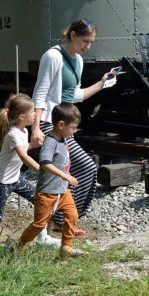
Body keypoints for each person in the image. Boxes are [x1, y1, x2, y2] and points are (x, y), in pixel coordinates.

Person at [31, 19, 114, 239]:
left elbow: (75, 95)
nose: (87, 46)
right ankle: (61, 221)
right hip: (51, 123)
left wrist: (102, 82)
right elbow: (40, 93)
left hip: (63, 124)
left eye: (91, 43)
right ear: (73, 35)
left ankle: (53, 227)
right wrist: (36, 128)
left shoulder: (77, 60)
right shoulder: (53, 56)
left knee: (61, 175)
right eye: (85, 41)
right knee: (85, 167)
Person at [0, 94, 41, 261]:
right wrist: (43, 170)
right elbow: (23, 157)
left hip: (15, 178)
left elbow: (23, 149)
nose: (35, 114)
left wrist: (33, 145)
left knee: (40, 200)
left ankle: (42, 238)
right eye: (32, 111)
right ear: (21, 116)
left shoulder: (23, 130)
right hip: (2, 180)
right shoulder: (13, 134)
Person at [17, 102, 86, 258]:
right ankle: (19, 246)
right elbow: (45, 163)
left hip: (63, 191)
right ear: (61, 124)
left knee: (72, 215)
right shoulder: (50, 142)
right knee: (39, 224)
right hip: (47, 193)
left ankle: (66, 247)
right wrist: (65, 175)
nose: (74, 131)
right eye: (73, 128)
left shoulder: (63, 139)